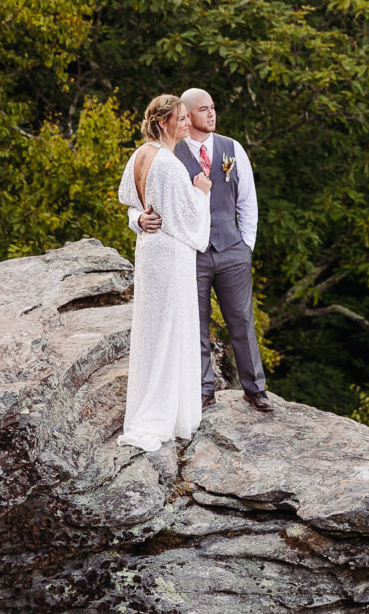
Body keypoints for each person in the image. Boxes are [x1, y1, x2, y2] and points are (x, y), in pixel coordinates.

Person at [133, 88, 272, 413]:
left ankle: (255, 389)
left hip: (231, 250)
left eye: (213, 108)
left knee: (241, 320)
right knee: (195, 323)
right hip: (188, 254)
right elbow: (139, 198)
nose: (211, 114)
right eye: (203, 109)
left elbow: (247, 202)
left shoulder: (231, 148)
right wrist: (138, 219)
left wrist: (245, 246)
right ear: (187, 114)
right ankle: (202, 390)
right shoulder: (167, 152)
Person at [115, 94, 216, 451]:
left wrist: (138, 220)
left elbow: (129, 200)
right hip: (171, 255)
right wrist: (202, 191)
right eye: (182, 119)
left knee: (151, 329)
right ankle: (166, 413)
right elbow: (190, 223)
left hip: (149, 251)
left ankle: (150, 405)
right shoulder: (171, 165)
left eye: (189, 118)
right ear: (164, 123)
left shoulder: (139, 155)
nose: (188, 124)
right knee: (171, 327)